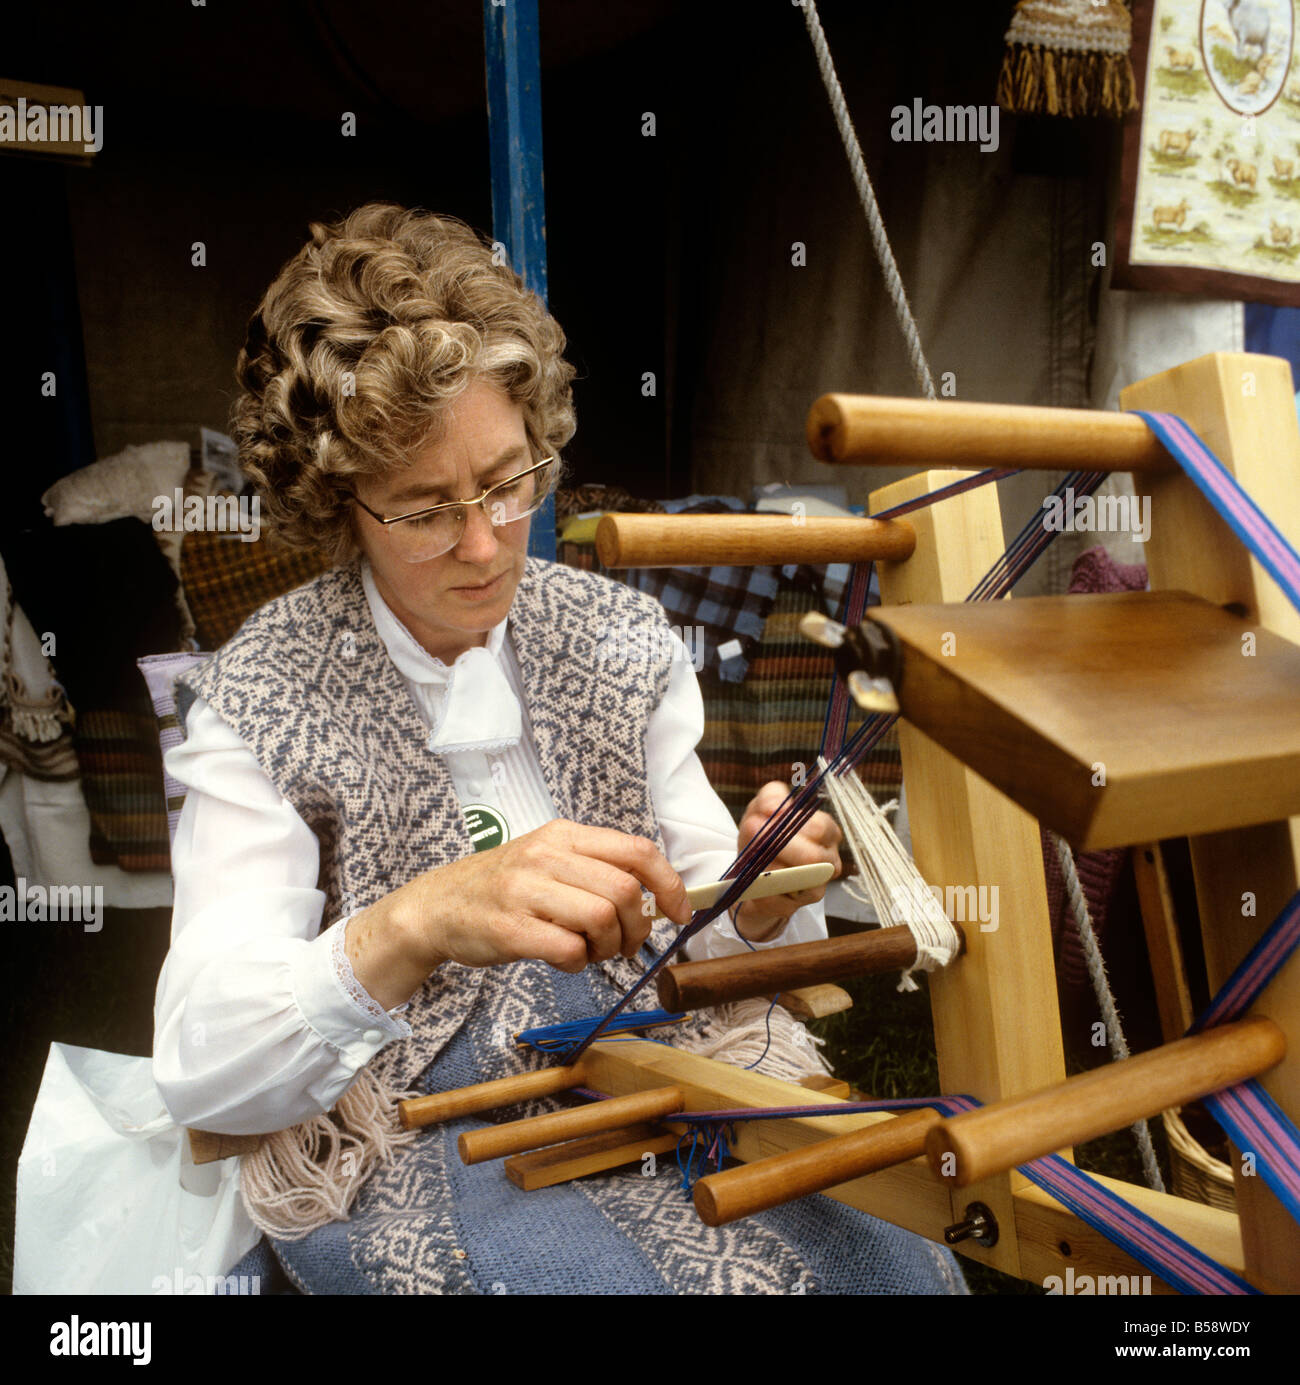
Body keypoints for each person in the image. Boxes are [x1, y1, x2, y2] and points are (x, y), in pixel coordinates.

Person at [153, 202, 966, 1295]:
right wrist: (417, 918)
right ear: (339, 501)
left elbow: (698, 938)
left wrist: (758, 899)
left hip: (667, 1057)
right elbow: (206, 1067)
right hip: (412, 1119)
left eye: (505, 479)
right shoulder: (262, 694)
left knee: (889, 1260)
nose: (486, 542)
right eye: (424, 508)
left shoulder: (622, 637)